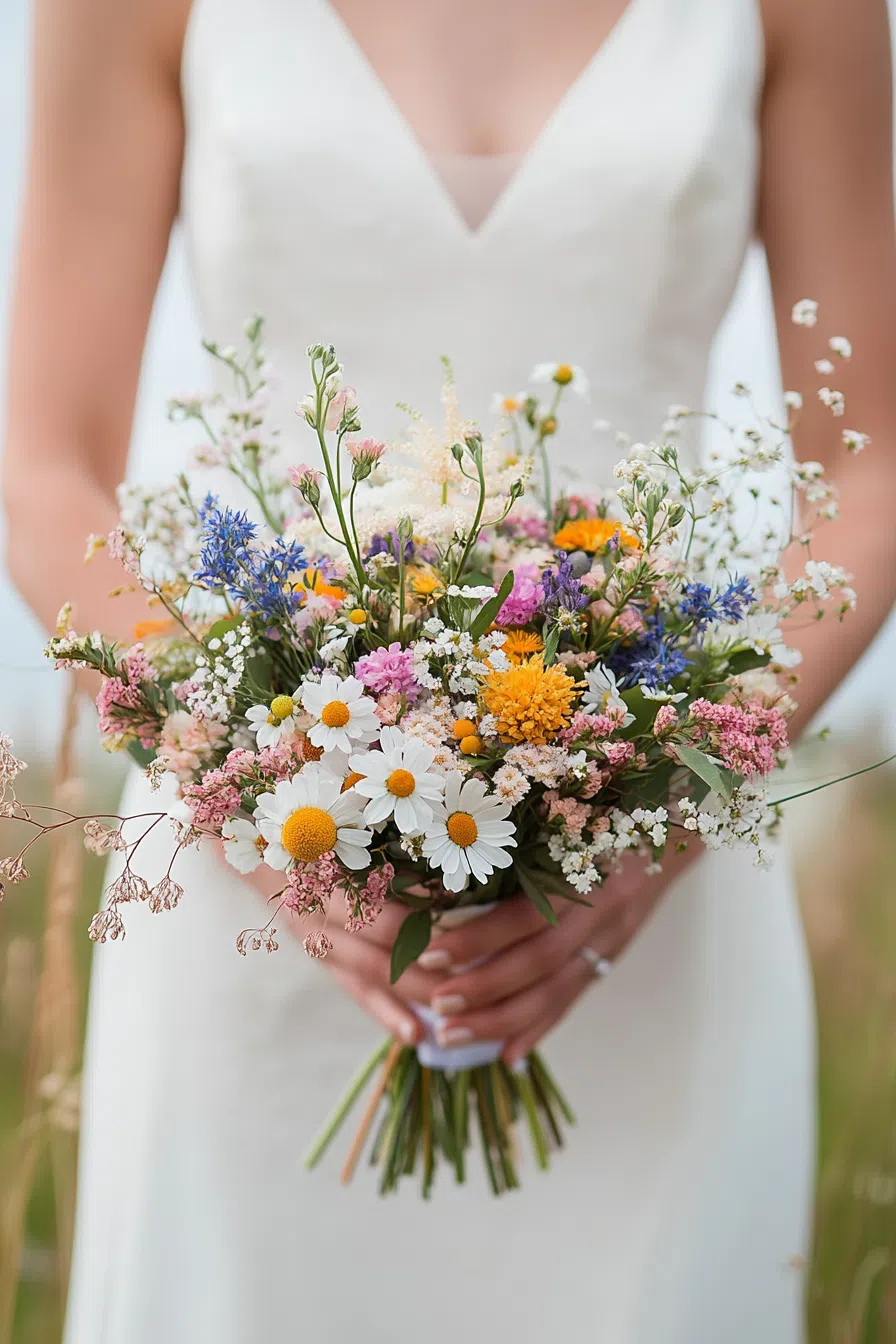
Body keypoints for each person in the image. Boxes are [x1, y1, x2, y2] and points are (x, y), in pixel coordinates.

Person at [5, 1, 896, 1340]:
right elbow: (45, 460)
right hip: (254, 908)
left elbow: (870, 455)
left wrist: (666, 812)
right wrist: (252, 796)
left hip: (651, 920)